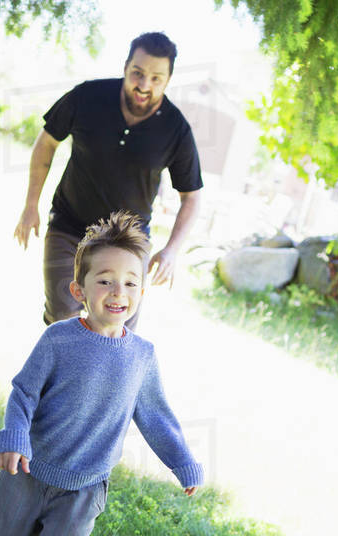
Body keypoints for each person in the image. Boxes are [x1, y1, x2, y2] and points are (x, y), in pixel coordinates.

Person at [0, 211, 204, 536]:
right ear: (79, 290)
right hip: (30, 469)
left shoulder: (141, 357)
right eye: (104, 280)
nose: (117, 291)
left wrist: (183, 461)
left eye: (129, 282)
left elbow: (157, 417)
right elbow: (24, 392)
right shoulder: (59, 339)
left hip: (86, 483)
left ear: (142, 290)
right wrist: (14, 436)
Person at [13, 31, 203, 330]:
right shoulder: (87, 96)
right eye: (137, 73)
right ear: (126, 66)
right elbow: (46, 143)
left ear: (167, 80)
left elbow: (191, 196)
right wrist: (30, 205)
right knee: (62, 320)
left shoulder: (176, 129)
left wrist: (171, 250)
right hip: (69, 227)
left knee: (116, 331)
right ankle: (54, 375)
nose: (144, 85)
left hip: (128, 245)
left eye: (156, 78)